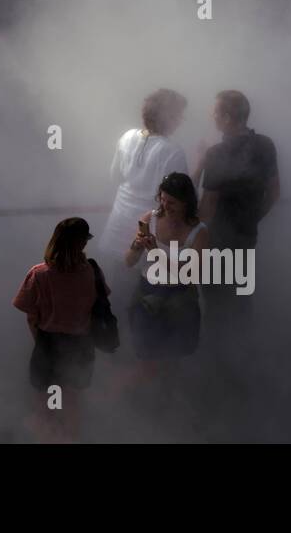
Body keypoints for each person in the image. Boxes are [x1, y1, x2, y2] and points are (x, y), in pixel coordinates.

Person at [12, 217, 109, 441]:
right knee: (73, 403)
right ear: (83, 243)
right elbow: (98, 304)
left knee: (44, 406)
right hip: (81, 345)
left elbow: (30, 316)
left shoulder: (39, 274)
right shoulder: (92, 272)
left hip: (49, 344)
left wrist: (40, 341)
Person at [195, 90, 278, 340]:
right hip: (246, 240)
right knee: (241, 303)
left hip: (215, 243)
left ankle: (217, 368)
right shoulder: (265, 145)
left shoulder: (217, 154)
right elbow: (274, 193)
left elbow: (207, 207)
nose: (212, 117)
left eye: (215, 113)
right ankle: (243, 363)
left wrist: (200, 160)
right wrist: (251, 220)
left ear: (228, 117)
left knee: (215, 307)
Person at [100, 89, 188, 291]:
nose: (181, 120)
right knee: (144, 297)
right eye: (179, 115)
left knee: (117, 292)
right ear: (168, 117)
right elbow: (182, 197)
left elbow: (115, 176)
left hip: (119, 227)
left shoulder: (127, 137)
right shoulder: (172, 152)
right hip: (148, 235)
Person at [123, 172, 207, 379]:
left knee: (172, 357)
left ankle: (169, 400)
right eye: (162, 199)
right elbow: (129, 261)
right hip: (148, 292)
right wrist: (136, 245)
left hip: (178, 296)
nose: (165, 206)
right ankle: (144, 400)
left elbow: (192, 275)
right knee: (146, 357)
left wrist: (156, 253)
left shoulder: (198, 231)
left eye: (172, 202)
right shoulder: (149, 219)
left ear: (186, 202)